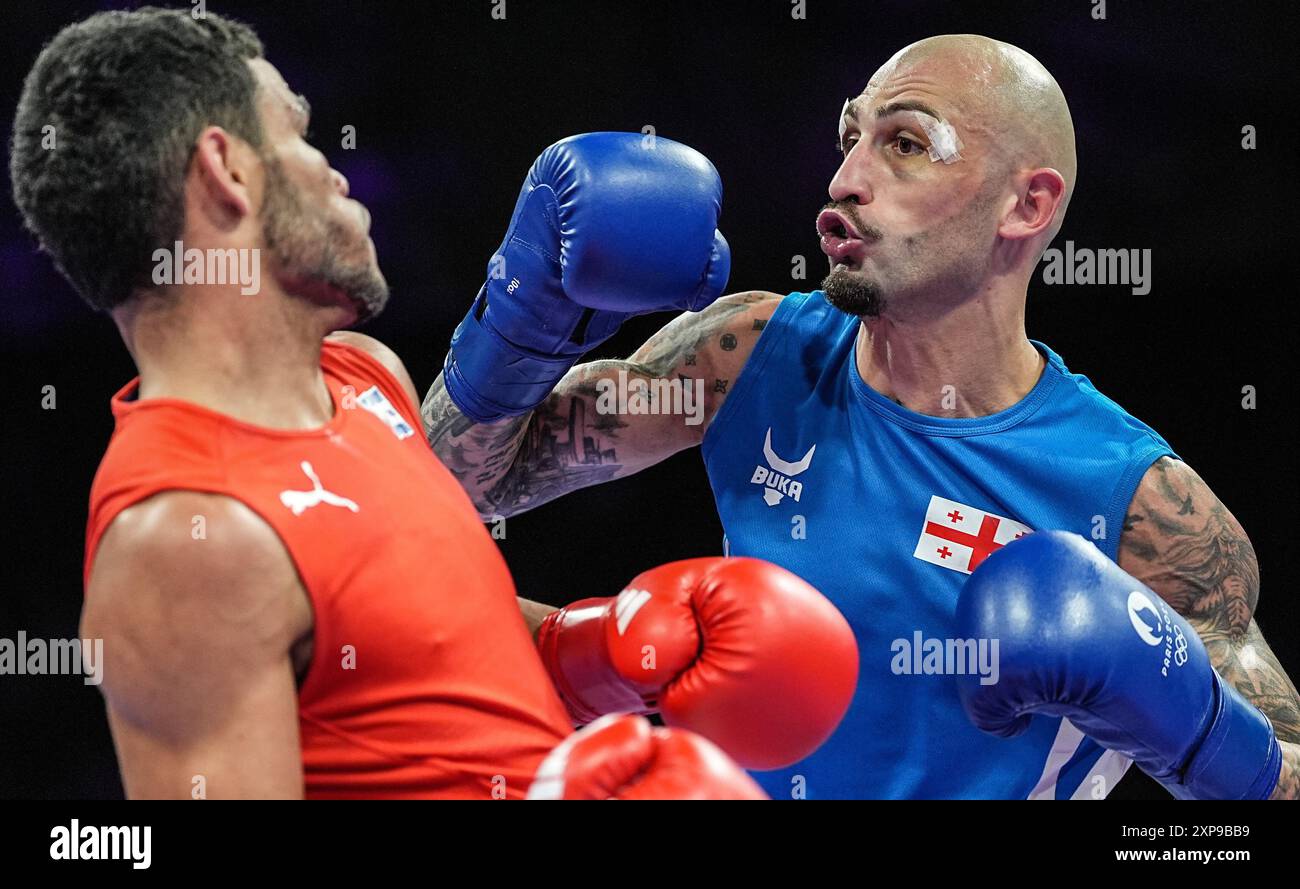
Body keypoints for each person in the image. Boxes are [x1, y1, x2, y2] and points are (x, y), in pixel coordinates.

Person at [11, 7, 856, 798]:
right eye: (300, 137)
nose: (337, 170)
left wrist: (602, 649)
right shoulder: (186, 533)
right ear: (226, 171)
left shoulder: (360, 376)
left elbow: (428, 654)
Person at [426, 34, 1300, 799]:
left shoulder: (1141, 503)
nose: (846, 179)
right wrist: (522, 320)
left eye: (906, 144)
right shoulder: (751, 352)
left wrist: (1196, 730)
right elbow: (456, 487)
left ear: (1025, 205)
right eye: (850, 138)